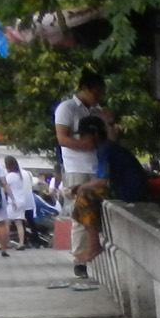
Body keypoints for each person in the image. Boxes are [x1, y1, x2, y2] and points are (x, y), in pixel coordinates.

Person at [53, 69, 115, 280]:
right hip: (77, 168)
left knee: (102, 213)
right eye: (96, 92)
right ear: (85, 89)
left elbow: (111, 139)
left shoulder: (98, 111)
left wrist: (110, 121)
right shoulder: (67, 108)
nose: (98, 98)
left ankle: (97, 256)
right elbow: (62, 138)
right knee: (80, 215)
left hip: (98, 166)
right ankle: (80, 259)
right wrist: (84, 145)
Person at [2, 153, 31, 249]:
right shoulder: (19, 175)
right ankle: (21, 242)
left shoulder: (9, 176)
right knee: (19, 223)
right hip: (21, 201)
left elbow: (5, 188)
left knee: (6, 222)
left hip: (13, 202)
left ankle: (6, 242)